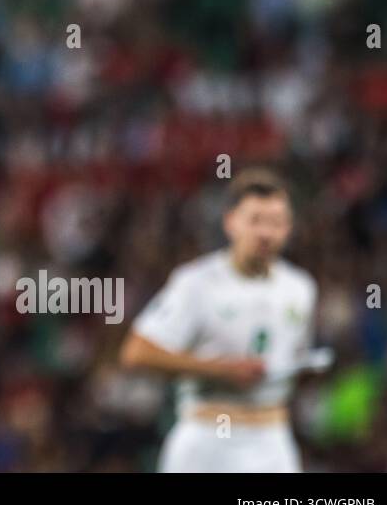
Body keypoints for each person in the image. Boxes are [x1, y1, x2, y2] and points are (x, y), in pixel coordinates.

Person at [119, 168, 319, 472]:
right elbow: (137, 352)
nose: (265, 233)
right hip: (206, 436)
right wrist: (220, 370)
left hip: (272, 437)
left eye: (276, 222)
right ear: (230, 222)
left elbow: (298, 358)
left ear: (289, 227)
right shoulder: (196, 282)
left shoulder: (301, 288)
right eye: (255, 221)